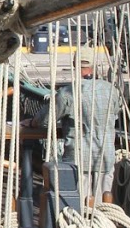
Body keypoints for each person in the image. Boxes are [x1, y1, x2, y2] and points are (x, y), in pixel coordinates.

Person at [51, 58, 119, 204]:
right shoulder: (111, 90)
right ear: (93, 67)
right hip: (105, 154)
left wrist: (32, 122)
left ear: (75, 66)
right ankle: (102, 223)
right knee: (102, 204)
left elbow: (48, 118)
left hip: (79, 156)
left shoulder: (68, 92)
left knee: (79, 204)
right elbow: (116, 114)